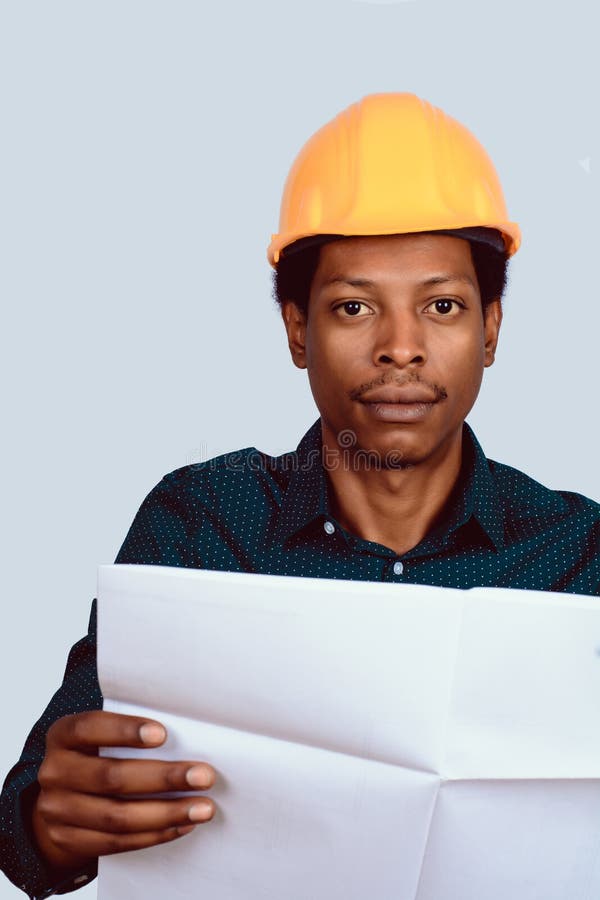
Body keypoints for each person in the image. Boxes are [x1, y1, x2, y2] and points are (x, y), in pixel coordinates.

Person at [1, 92, 598, 898]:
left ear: (491, 328)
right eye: (353, 307)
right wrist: (51, 823)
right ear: (295, 330)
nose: (399, 349)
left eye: (443, 306)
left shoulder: (580, 552)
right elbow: (29, 830)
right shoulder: (203, 527)